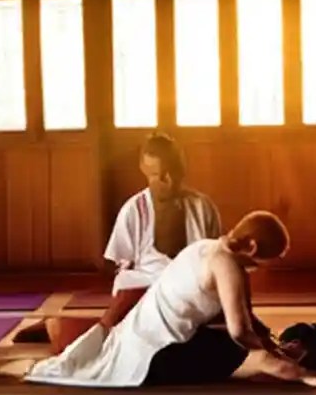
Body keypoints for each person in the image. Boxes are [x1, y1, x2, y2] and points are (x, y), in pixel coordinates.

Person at [0, 211, 316, 390]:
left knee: (74, 364)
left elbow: (249, 318)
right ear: (255, 247)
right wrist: (310, 376)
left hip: (142, 334)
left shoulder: (209, 249)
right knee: (70, 370)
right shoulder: (226, 265)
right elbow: (241, 331)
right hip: (156, 351)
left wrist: (273, 340)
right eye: (266, 260)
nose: (264, 269)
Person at [16, 132, 224, 350]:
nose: (167, 181)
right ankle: (58, 327)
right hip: (147, 286)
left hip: (190, 290)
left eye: (173, 173)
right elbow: (123, 266)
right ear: (145, 173)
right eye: (158, 175)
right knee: (119, 332)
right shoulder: (134, 210)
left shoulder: (203, 207)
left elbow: (216, 261)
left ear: (182, 169)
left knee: (216, 326)